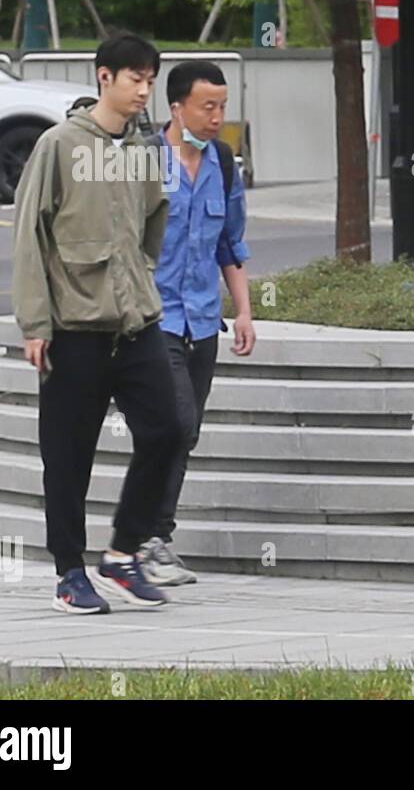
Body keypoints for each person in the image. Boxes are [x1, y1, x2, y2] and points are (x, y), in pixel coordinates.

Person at [12, 33, 176, 614]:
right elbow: (29, 234)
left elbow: (156, 215)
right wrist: (35, 323)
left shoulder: (144, 148)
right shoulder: (58, 145)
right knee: (68, 454)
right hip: (73, 329)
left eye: (151, 79)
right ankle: (68, 572)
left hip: (136, 323)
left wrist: (142, 275)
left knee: (169, 428)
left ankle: (123, 553)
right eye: (135, 78)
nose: (144, 89)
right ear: (103, 77)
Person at [139, 60, 254, 586]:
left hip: (204, 322)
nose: (217, 117)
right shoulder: (142, 159)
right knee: (175, 423)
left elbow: (230, 242)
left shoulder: (223, 163)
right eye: (208, 107)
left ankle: (154, 538)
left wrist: (244, 311)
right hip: (152, 319)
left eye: (223, 107)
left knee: (185, 432)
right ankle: (145, 539)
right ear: (177, 106)